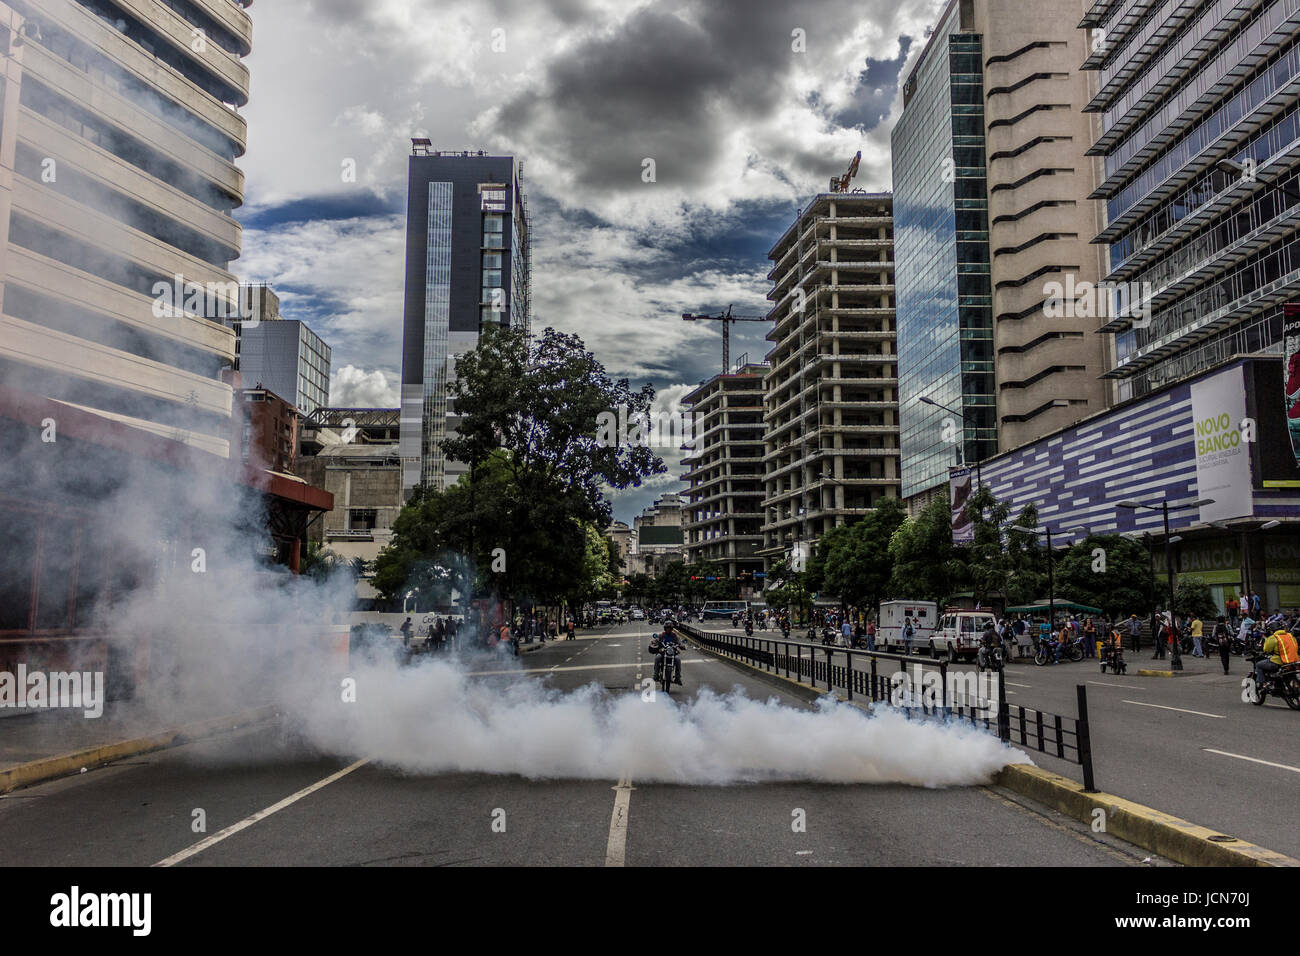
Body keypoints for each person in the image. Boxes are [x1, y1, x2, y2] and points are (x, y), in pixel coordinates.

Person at [1253, 628, 1299, 694]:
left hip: (1279, 661)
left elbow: (1266, 649)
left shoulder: (1274, 637)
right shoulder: (1290, 636)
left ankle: (1263, 685)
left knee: (1259, 665)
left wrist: (1266, 639)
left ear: (1272, 630)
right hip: (1294, 661)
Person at [654, 621, 684, 685]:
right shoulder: (662, 635)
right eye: (667, 628)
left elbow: (679, 642)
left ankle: (677, 677)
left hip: (672, 653)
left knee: (678, 660)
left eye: (670, 628)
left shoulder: (674, 635)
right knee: (657, 658)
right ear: (665, 628)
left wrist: (681, 645)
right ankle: (655, 675)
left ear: (672, 629)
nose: (668, 629)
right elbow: (656, 640)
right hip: (663, 652)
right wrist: (654, 643)